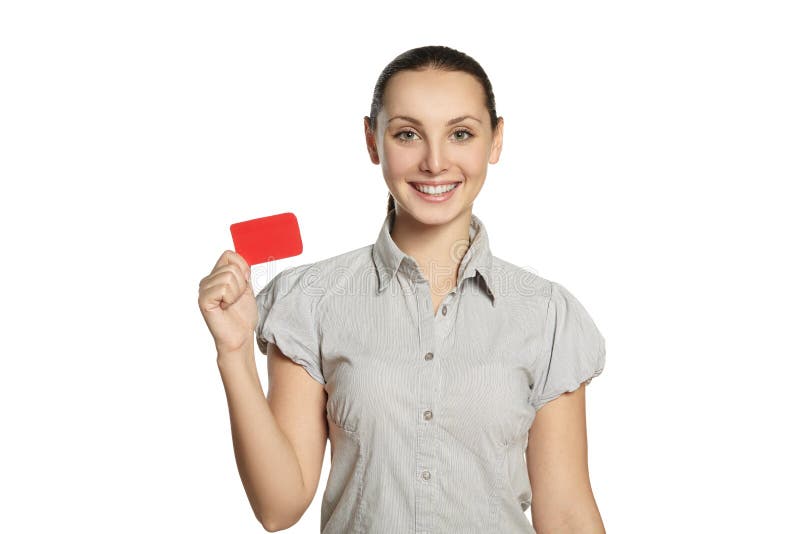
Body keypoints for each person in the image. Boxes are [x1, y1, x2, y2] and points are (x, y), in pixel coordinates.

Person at [198, 45, 607, 533]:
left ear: (495, 141)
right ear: (372, 141)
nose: (435, 162)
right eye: (408, 134)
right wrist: (235, 350)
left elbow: (565, 514)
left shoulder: (545, 315)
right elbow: (279, 506)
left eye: (461, 134)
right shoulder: (310, 301)